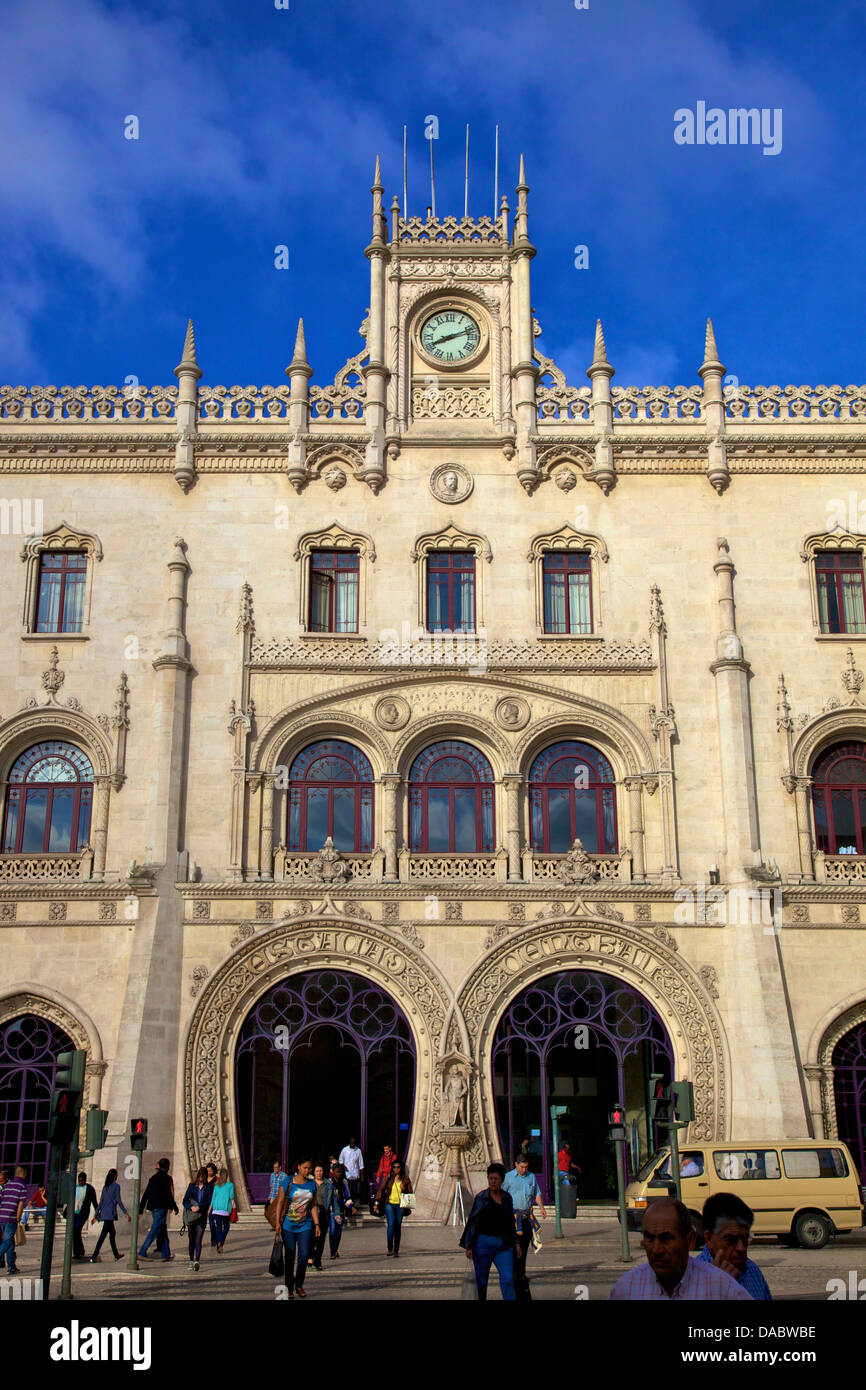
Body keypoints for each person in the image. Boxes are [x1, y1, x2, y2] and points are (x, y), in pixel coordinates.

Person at [608, 1198, 752, 1300]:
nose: (657, 1249)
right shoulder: (627, 1289)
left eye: (666, 1238)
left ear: (690, 1240)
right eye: (650, 1238)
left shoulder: (720, 1287)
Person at [459, 1162, 517, 1301]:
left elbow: (510, 1222)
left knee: (508, 1278)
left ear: (502, 1180)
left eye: (496, 1179)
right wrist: (469, 1246)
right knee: (481, 1283)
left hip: (504, 1246)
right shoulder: (481, 1198)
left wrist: (516, 1243)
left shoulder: (507, 1198)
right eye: (490, 1178)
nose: (493, 1182)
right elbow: (473, 1222)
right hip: (483, 1244)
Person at [698, 1193, 772, 1300]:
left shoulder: (752, 1270)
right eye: (730, 1240)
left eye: (745, 1240)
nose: (741, 1248)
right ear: (709, 1238)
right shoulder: (693, 1278)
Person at [274, 1157, 320, 1299]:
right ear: (299, 1167)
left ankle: (299, 1283)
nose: (308, 1171)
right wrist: (277, 1223)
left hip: (305, 1224)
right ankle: (289, 1287)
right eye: (305, 1167)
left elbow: (313, 1205)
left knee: (304, 1255)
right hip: (288, 1224)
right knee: (290, 1256)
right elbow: (280, 1203)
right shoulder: (288, 1181)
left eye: (309, 1168)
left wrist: (317, 1224)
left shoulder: (312, 1185)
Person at [504, 1154, 546, 1300]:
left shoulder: (531, 1177)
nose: (524, 1169)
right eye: (521, 1167)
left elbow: (537, 1194)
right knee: (514, 1249)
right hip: (513, 1218)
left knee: (524, 1249)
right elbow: (501, 1195)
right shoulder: (508, 1177)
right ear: (516, 1164)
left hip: (526, 1217)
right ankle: (513, 1275)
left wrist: (541, 1208)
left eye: (526, 1167)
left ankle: (520, 1274)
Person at [138, 1157, 178, 1262]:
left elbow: (146, 1194)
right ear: (167, 1167)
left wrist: (140, 1209)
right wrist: (174, 1206)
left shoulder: (153, 1178)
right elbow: (169, 1195)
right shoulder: (167, 1179)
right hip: (161, 1208)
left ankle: (166, 1253)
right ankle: (142, 1251)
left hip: (153, 1208)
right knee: (155, 1230)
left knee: (162, 1229)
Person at [90, 1168, 130, 1262]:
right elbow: (119, 1201)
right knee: (103, 1236)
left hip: (104, 1214)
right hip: (110, 1214)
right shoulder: (116, 1186)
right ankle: (94, 1256)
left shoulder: (105, 1187)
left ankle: (116, 1255)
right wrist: (126, 1213)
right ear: (115, 1176)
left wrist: (96, 1215)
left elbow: (100, 1203)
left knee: (112, 1234)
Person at [376, 1159, 413, 1258]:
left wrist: (404, 1188)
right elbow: (381, 1189)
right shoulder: (389, 1178)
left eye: (398, 1167)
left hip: (400, 1205)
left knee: (398, 1226)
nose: (396, 1169)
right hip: (389, 1204)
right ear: (392, 1168)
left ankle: (396, 1249)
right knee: (391, 1225)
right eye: (394, 1167)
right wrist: (376, 1202)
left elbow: (411, 1193)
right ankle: (390, 1248)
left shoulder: (405, 1179)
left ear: (401, 1169)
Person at [182, 1166, 214, 1271]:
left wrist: (200, 1207)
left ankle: (197, 1261)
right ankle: (191, 1260)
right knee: (191, 1239)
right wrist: (191, 1207)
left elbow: (209, 1201)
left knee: (198, 1239)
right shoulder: (192, 1186)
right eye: (199, 1175)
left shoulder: (209, 1187)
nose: (201, 1178)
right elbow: (185, 1200)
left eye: (203, 1176)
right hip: (192, 1216)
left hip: (201, 1216)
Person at [0, 1165, 27, 1276]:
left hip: (2, 1217)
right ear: (23, 1174)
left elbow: (2, 1199)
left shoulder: (6, 1186)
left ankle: (11, 1266)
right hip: (11, 1218)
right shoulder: (22, 1186)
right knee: (7, 1242)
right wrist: (18, 1218)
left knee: (10, 1243)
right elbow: (20, 1205)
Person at [326, 1162, 352, 1260]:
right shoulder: (329, 1182)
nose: (339, 1174)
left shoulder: (344, 1182)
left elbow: (348, 1195)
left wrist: (350, 1206)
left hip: (341, 1210)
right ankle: (332, 1251)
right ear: (333, 1172)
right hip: (332, 1210)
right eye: (337, 1172)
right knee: (332, 1231)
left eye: (340, 1172)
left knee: (338, 1232)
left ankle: (335, 1249)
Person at [71, 1171, 98, 1261]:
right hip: (75, 1212)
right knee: (75, 1231)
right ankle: (78, 1251)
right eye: (79, 1180)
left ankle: (79, 1251)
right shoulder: (75, 1188)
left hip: (83, 1213)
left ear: (85, 1180)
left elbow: (94, 1202)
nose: (80, 1182)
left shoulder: (89, 1189)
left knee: (77, 1229)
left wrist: (97, 1214)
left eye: (82, 1180)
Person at [210, 1167, 236, 1252]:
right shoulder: (230, 1185)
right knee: (226, 1227)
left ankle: (219, 1245)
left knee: (219, 1228)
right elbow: (231, 1196)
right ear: (227, 1176)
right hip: (225, 1209)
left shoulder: (216, 1185)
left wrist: (210, 1208)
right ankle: (220, 1242)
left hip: (216, 1209)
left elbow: (213, 1198)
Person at [338, 1138, 365, 1215]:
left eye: (354, 1143)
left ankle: (353, 1207)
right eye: (351, 1143)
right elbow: (340, 1160)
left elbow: (361, 1164)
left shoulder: (358, 1151)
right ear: (349, 1143)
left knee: (354, 1192)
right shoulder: (345, 1150)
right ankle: (348, 1208)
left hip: (355, 1174)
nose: (352, 1144)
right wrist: (343, 1166)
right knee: (347, 1192)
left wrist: (362, 1175)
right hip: (347, 1175)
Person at [309, 1165, 329, 1270]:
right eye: (317, 1171)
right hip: (312, 1213)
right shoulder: (310, 1184)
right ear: (314, 1172)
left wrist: (337, 1212)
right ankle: (310, 1256)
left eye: (321, 1171)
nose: (319, 1173)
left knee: (321, 1239)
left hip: (323, 1213)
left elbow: (333, 1199)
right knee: (311, 1238)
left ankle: (318, 1261)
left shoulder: (328, 1184)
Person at [372, 1144, 396, 1210]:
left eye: (387, 1149)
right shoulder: (383, 1157)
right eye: (384, 1149)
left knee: (388, 1192)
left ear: (390, 1148)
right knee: (380, 1191)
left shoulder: (393, 1156)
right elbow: (380, 1167)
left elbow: (392, 1167)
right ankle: (378, 1204)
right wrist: (378, 1176)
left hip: (391, 1177)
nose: (385, 1151)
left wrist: (384, 1170)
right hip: (384, 1177)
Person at [265, 1159, 287, 1229]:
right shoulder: (272, 1175)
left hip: (280, 1197)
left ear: (280, 1168)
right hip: (273, 1196)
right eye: (274, 1167)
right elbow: (271, 1186)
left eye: (276, 1167)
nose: (275, 1169)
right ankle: (273, 1224)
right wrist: (269, 1195)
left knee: (279, 1211)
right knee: (271, 1212)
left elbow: (285, 1187)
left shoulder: (284, 1176)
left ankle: (279, 1224)